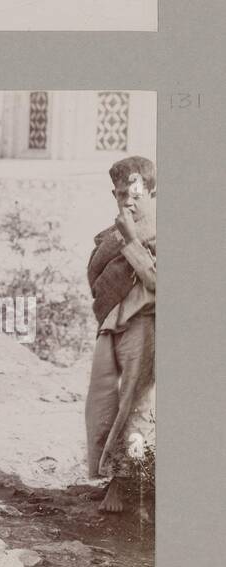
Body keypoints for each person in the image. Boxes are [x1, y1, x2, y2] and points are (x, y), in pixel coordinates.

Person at [85, 156, 156, 514]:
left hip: (146, 323)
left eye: (134, 194)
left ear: (152, 190)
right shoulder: (115, 232)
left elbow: (159, 281)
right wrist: (122, 238)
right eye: (119, 194)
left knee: (135, 407)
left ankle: (125, 486)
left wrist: (130, 241)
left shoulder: (159, 229)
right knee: (102, 405)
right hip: (113, 324)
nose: (126, 201)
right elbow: (97, 274)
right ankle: (110, 478)